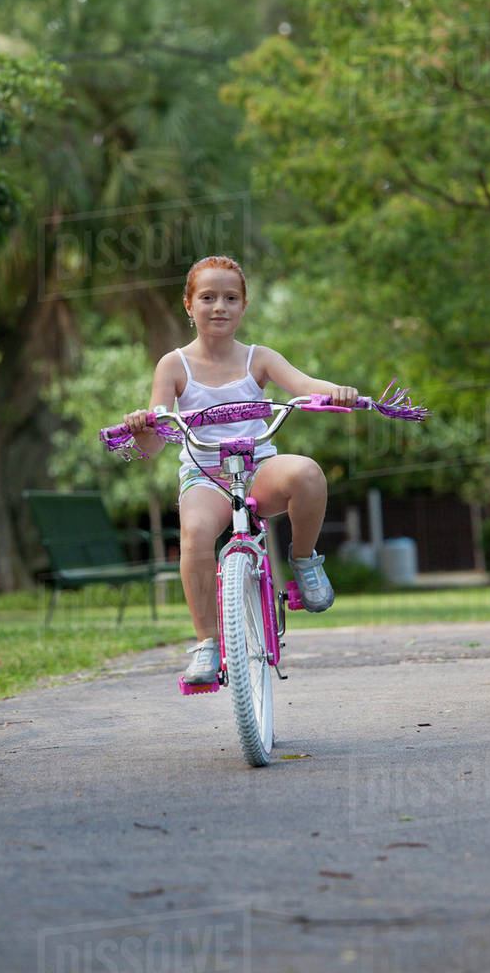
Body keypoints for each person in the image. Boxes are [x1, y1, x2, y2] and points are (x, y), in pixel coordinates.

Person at [123, 255, 358, 685]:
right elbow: (155, 441)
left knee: (307, 473)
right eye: (208, 297)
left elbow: (306, 386)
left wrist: (338, 392)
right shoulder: (174, 366)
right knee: (194, 535)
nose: (219, 307)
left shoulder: (258, 359)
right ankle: (207, 644)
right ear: (188, 305)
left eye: (231, 298)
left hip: (257, 469)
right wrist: (144, 425)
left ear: (243, 306)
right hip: (204, 475)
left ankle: (304, 560)